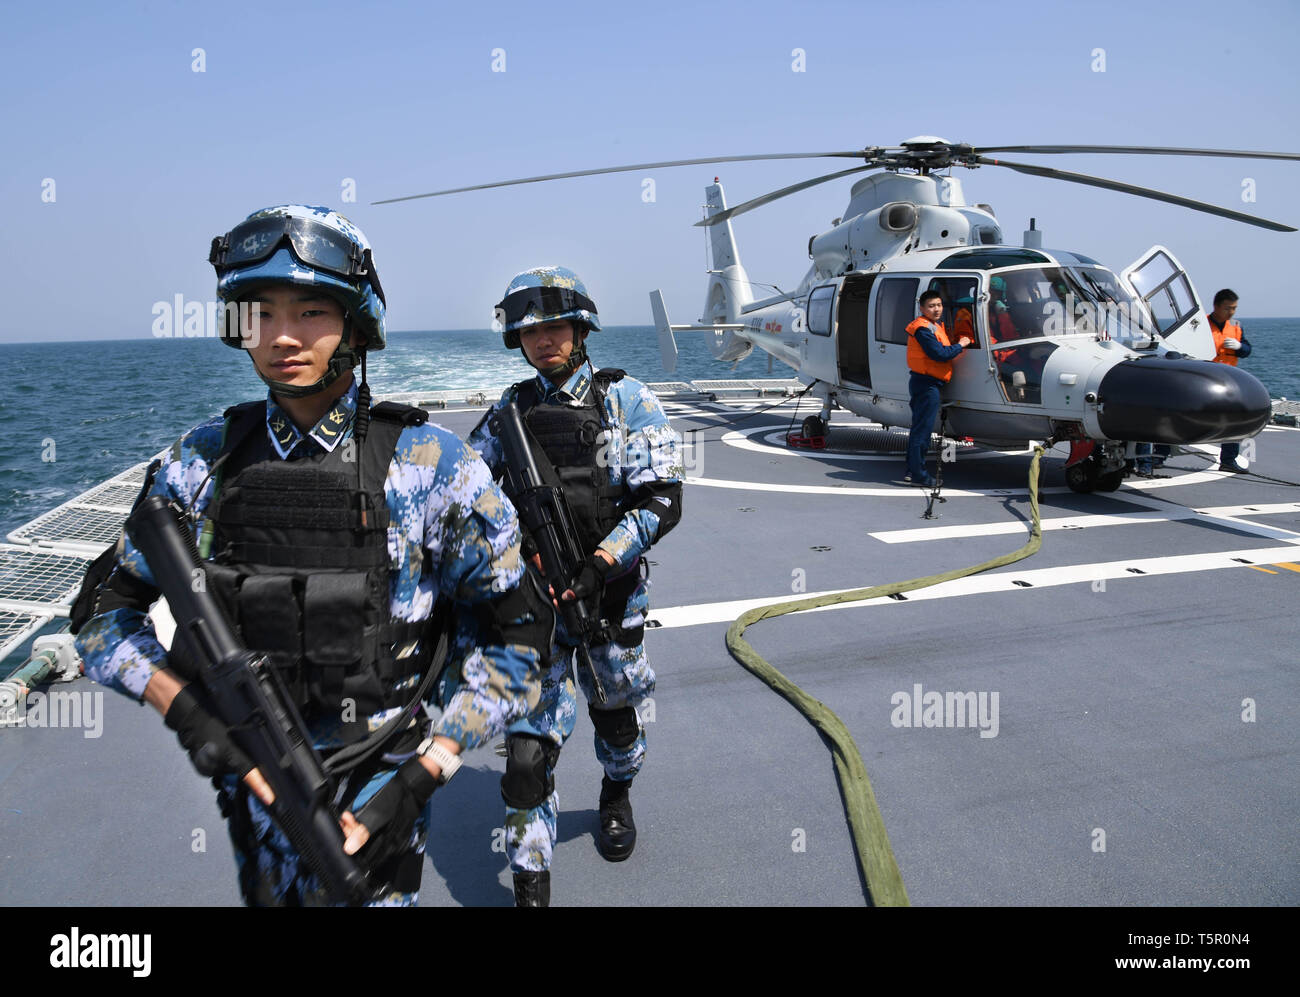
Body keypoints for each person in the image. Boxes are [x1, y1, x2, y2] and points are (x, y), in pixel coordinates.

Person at [72, 205, 548, 906]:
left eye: (311, 312)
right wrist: (191, 716)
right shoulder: (201, 464)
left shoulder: (432, 466)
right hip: (254, 795)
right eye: (259, 313)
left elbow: (521, 632)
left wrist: (426, 773)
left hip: (381, 791)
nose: (282, 336)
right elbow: (101, 618)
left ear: (356, 325)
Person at [460, 265, 683, 906]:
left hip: (608, 602)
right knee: (526, 759)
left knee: (617, 725)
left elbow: (662, 499)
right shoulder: (509, 414)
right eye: (530, 332)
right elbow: (467, 492)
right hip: (535, 610)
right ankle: (531, 880)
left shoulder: (626, 401)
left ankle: (616, 795)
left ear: (581, 330)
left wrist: (600, 564)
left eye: (555, 327)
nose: (543, 340)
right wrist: (512, 548)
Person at [904, 289, 971, 486]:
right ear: (922, 308)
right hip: (926, 384)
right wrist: (961, 344)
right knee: (922, 431)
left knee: (919, 428)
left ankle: (912, 470)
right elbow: (939, 354)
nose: (936, 309)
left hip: (927, 383)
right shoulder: (923, 329)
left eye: (939, 305)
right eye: (931, 306)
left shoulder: (933, 326)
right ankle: (919, 476)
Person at [1207, 288, 1253, 472]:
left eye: (1234, 308)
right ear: (1216, 306)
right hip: (1204, 378)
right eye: (1228, 308)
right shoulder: (1201, 324)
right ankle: (1159, 456)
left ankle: (1228, 460)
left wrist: (1239, 346)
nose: (1231, 312)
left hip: (1227, 379)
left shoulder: (1236, 326)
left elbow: (1247, 350)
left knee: (1234, 419)